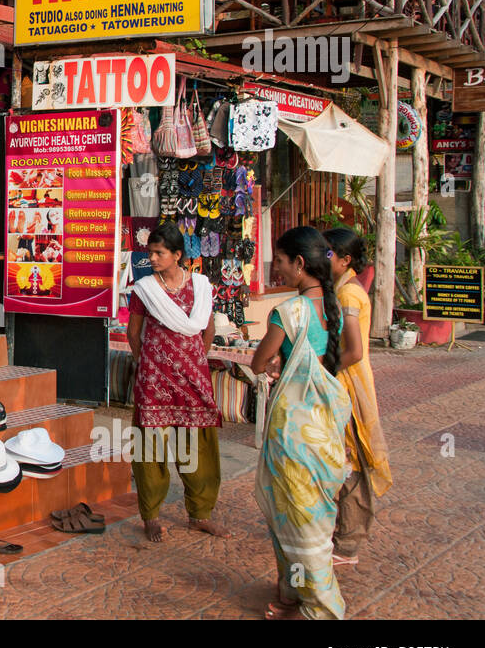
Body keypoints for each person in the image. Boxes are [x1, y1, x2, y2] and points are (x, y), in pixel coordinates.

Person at [251, 226, 352, 620]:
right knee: (312, 517)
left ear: (299, 263)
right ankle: (292, 592)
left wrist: (278, 364)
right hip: (326, 422)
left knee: (293, 516)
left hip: (292, 427)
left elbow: (260, 363)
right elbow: (336, 359)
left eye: (279, 260)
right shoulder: (334, 307)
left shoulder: (287, 312)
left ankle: (319, 604)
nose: (275, 267)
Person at [126, 222, 229, 542]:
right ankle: (151, 516)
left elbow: (207, 331)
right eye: (150, 253)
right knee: (150, 447)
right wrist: (151, 365)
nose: (153, 259)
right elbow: (133, 333)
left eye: (160, 253)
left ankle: (200, 513)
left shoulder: (200, 286)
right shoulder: (145, 290)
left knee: (197, 445)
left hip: (192, 379)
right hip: (155, 379)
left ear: (177, 255)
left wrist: (192, 360)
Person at [325, 227, 391, 567]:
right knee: (343, 460)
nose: (323, 260)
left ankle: (348, 541)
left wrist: (323, 370)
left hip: (348, 384)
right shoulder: (341, 288)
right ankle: (340, 533)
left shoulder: (349, 295)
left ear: (345, 259)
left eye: (328, 254)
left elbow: (353, 350)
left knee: (351, 462)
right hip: (343, 381)